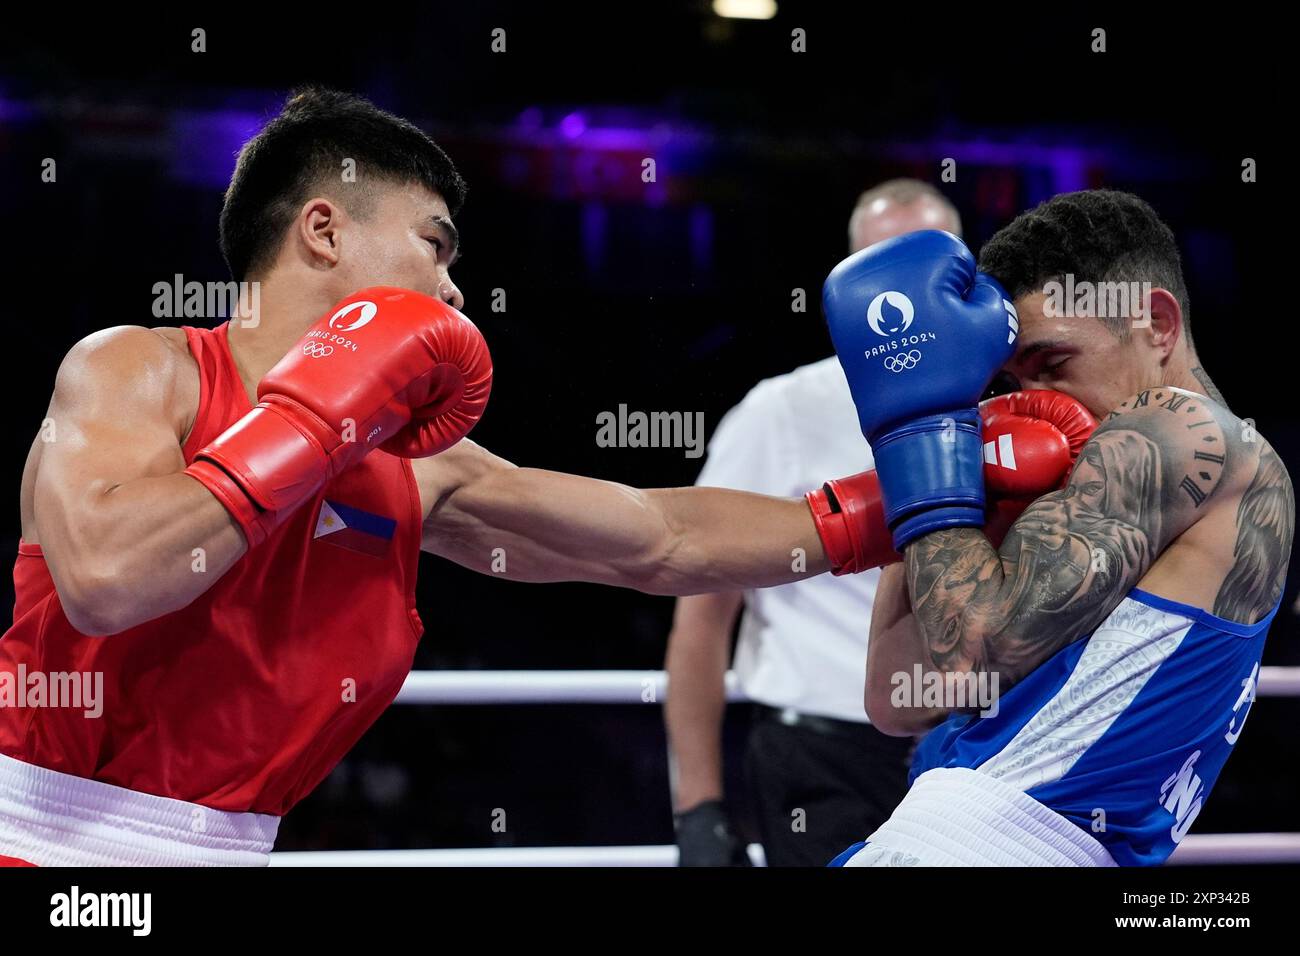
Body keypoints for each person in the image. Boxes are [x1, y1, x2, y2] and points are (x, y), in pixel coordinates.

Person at [822, 191, 1293, 866]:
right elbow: (898, 697)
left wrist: (923, 433)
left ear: (1156, 325)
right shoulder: (1075, 499)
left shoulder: (1183, 432)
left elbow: (973, 647)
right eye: (1010, 382)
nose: (1035, 403)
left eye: (1053, 365)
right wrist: (960, 452)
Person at [665, 180, 962, 867]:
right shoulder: (783, 409)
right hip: (821, 756)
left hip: (969, 746)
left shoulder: (998, 407)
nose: (904, 289)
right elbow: (702, 619)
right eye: (883, 265)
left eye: (924, 261)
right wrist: (699, 811)